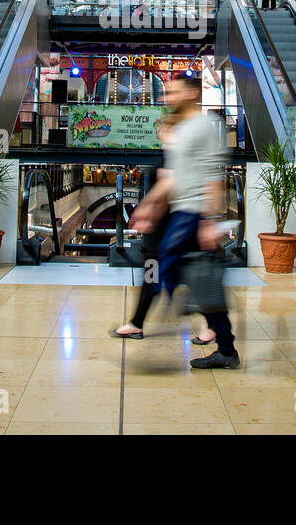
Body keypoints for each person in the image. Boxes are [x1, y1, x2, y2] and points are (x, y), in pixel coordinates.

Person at [124, 73, 238, 369]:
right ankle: (223, 343)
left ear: (190, 94)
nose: (167, 98)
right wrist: (147, 207)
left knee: (168, 259)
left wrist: (210, 220)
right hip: (181, 209)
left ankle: (191, 305)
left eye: (173, 92)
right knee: (193, 275)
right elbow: (170, 178)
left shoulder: (204, 126)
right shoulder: (181, 129)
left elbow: (214, 176)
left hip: (195, 212)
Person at [110, 112, 182, 341]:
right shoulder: (170, 156)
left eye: (164, 127)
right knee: (154, 278)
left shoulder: (175, 158)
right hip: (160, 234)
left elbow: (168, 191)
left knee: (161, 277)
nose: (159, 131)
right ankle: (137, 323)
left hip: (163, 233)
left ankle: (137, 324)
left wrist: (147, 211)